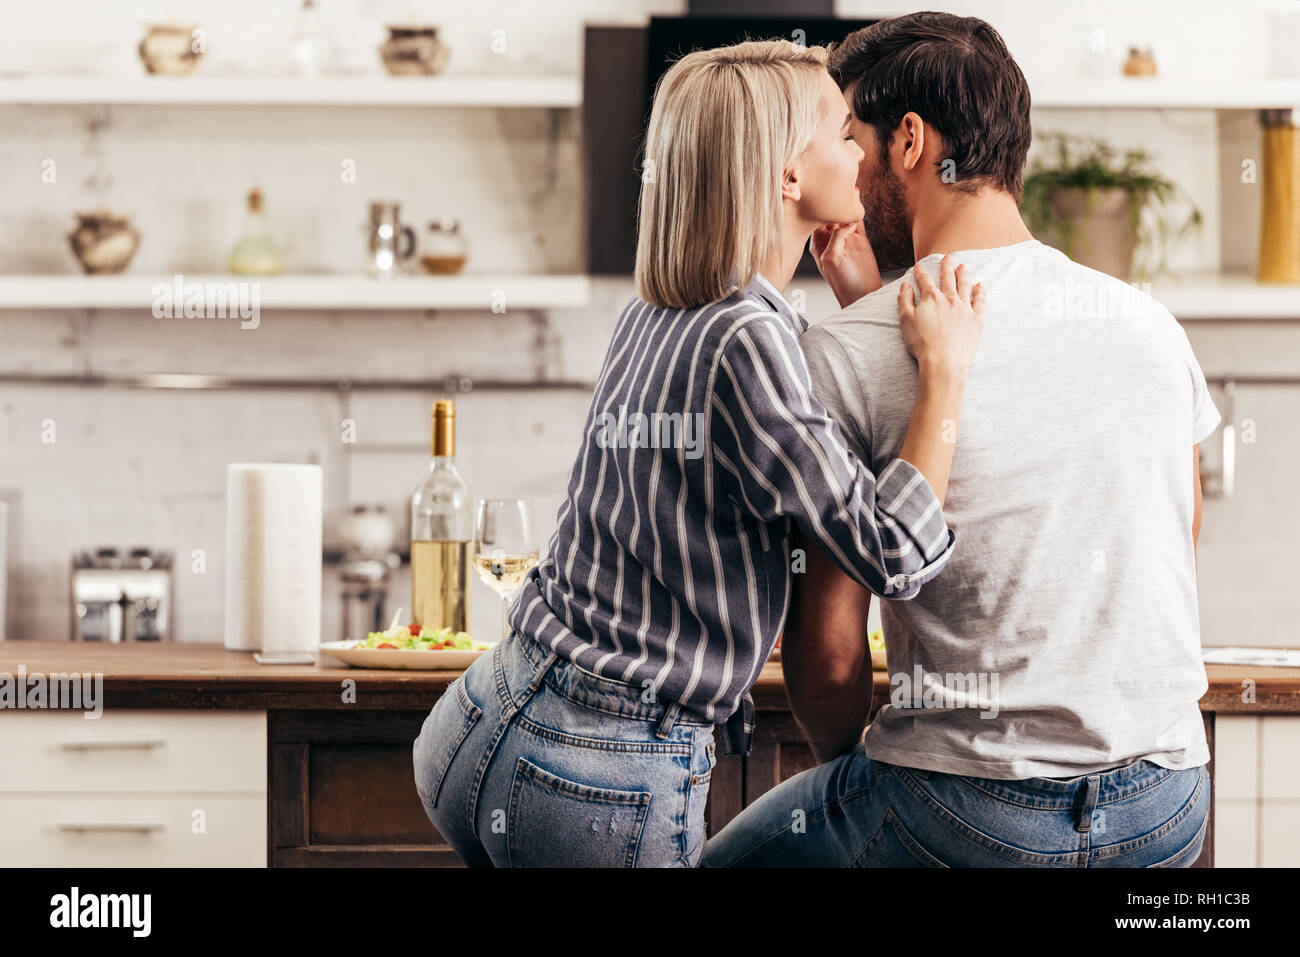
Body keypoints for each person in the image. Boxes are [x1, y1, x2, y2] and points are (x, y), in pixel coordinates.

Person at [412, 38, 984, 867]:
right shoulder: (748, 337)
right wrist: (944, 376)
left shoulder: (671, 306)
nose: (859, 146)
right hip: (600, 771)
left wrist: (861, 301)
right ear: (789, 176)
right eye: (837, 131)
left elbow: (785, 442)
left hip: (484, 720)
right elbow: (891, 551)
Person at [701, 12, 1218, 868]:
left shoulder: (848, 348)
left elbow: (829, 657)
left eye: (848, 134)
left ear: (909, 140)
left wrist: (854, 778)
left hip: (966, 810)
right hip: (1165, 806)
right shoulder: (1147, 322)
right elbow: (1178, 529)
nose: (843, 164)